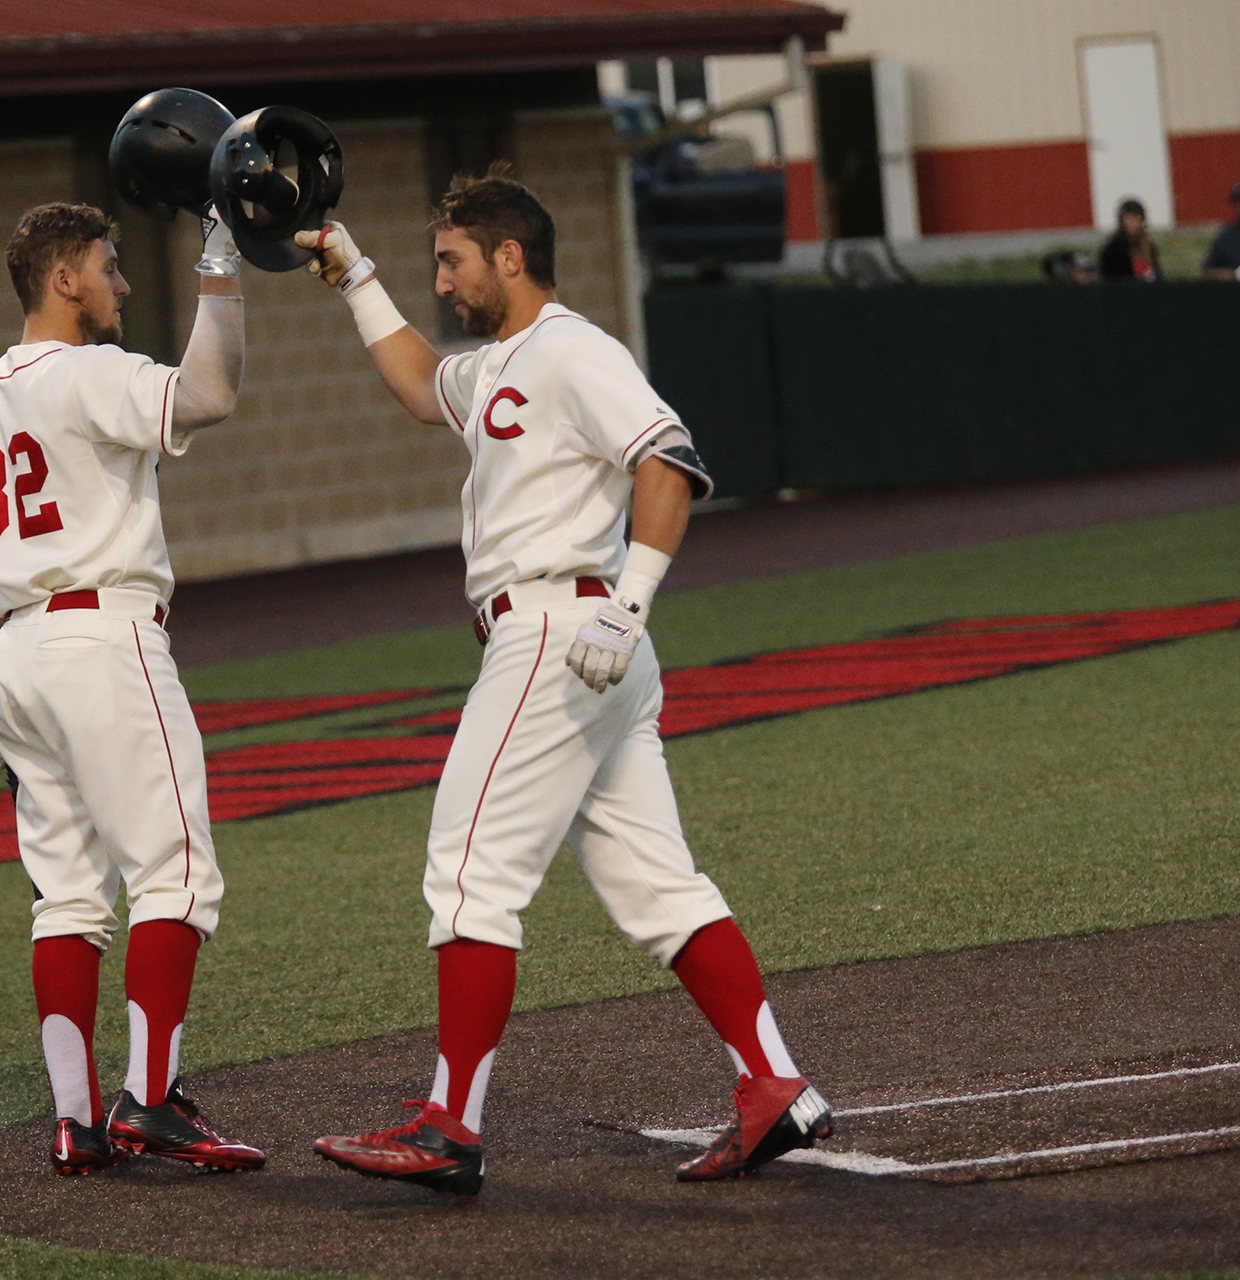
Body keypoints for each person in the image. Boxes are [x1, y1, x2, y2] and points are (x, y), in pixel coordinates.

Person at [296, 171, 832, 1198]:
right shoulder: (501, 363)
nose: (442, 283)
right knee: (659, 887)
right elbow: (419, 384)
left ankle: (450, 1124)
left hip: (561, 629)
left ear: (510, 255)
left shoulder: (574, 349)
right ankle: (771, 1083)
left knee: (468, 872)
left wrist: (630, 602)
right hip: (586, 645)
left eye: (451, 260)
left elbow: (669, 458)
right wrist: (353, 273)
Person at [0, 202, 262, 1176]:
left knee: (68, 898)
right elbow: (209, 391)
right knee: (175, 871)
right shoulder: (86, 373)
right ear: (63, 280)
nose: (123, 284)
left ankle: (76, 1119)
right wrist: (220, 261)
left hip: (17, 654)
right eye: (110, 266)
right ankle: (154, 1098)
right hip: (101, 637)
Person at [1098, 198, 1161, 281]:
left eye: (1135, 217)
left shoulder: (1148, 245)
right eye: (1128, 218)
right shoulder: (1113, 249)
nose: (1132, 222)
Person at [1200, 180, 1240, 281]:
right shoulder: (1227, 236)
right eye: (1235, 203)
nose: (1238, 207)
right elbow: (1208, 270)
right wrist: (1227, 275)